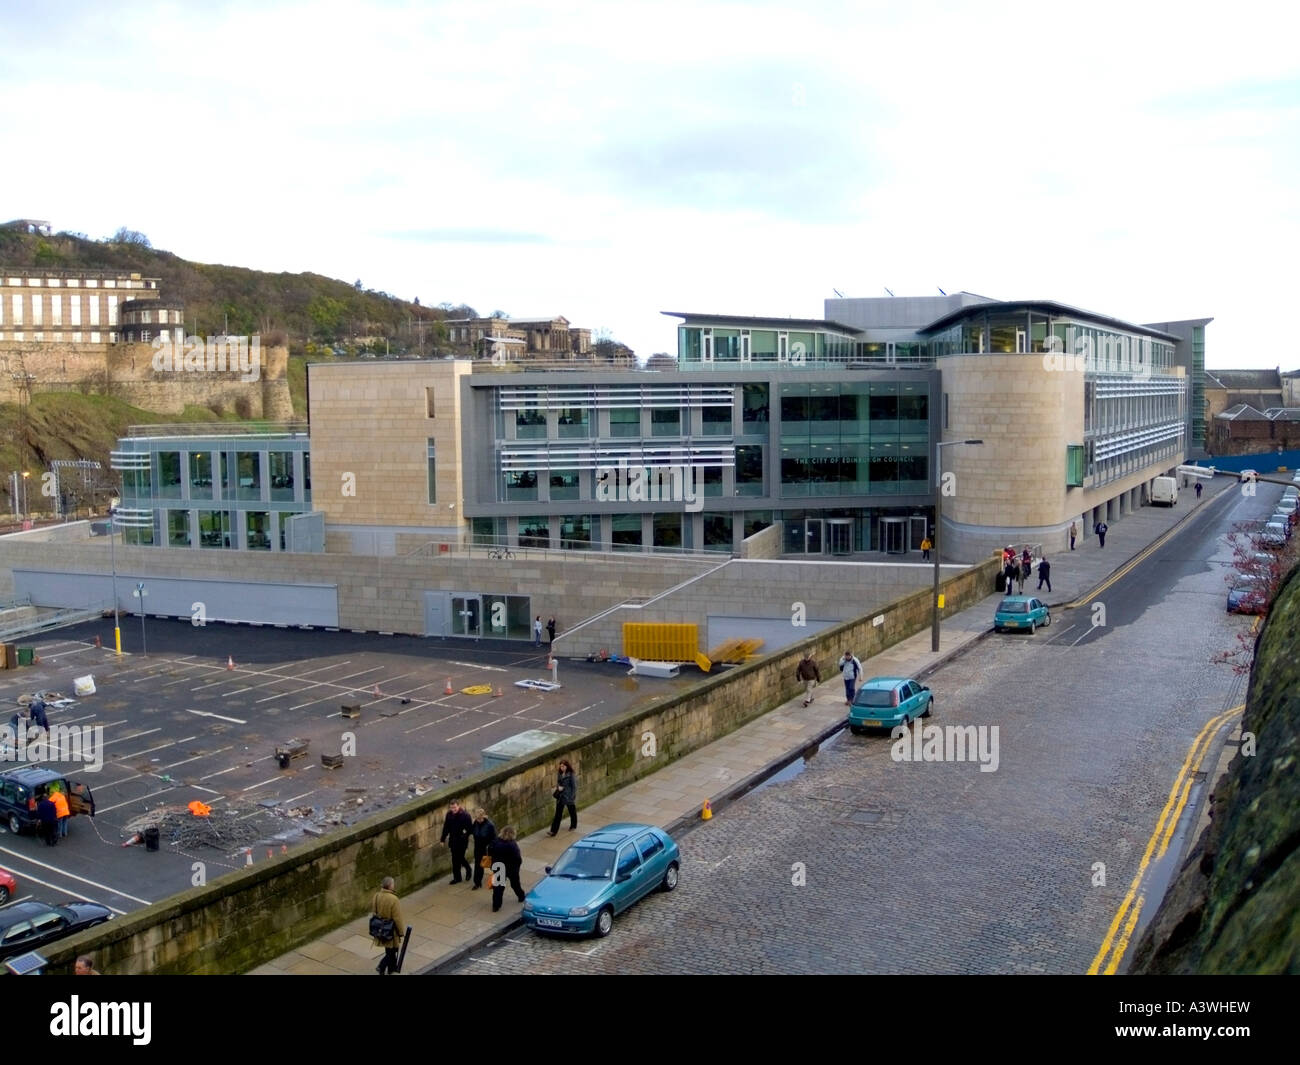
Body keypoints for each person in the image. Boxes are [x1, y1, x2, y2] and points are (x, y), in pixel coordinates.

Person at [371, 876, 406, 975]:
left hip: (380, 928)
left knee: (389, 950)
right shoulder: (393, 899)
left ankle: (389, 970)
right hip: (391, 929)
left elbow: (374, 912)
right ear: (390, 886)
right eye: (393, 884)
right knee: (393, 950)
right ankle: (381, 966)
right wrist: (401, 932)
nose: (394, 885)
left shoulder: (376, 896)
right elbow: (397, 918)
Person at [487, 826, 526, 912]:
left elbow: (489, 854)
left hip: (499, 867)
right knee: (515, 884)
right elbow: (517, 858)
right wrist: (517, 867)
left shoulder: (495, 842)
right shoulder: (512, 845)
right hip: (511, 868)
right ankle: (521, 896)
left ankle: (496, 906)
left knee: (498, 888)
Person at [440, 800, 473, 883]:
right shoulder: (449, 815)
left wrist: (463, 836)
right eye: (451, 808)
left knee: (460, 857)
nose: (453, 809)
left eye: (454, 807)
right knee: (455, 859)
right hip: (453, 840)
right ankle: (457, 878)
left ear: (458, 806)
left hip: (462, 841)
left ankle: (468, 869)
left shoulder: (465, 816)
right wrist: (442, 839)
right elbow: (446, 827)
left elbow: (470, 829)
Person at [548, 760, 577, 836]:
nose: (561, 768)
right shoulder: (560, 773)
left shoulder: (571, 774)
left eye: (563, 766)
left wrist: (572, 796)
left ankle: (573, 825)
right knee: (558, 814)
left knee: (572, 811)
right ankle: (553, 831)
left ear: (567, 766)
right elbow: (558, 782)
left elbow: (574, 786)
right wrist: (558, 787)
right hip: (561, 796)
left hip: (568, 796)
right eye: (560, 766)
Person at [471, 807, 497, 890]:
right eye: (476, 819)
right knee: (478, 866)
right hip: (478, 848)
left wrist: (490, 846)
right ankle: (477, 883)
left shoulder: (490, 825)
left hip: (487, 849)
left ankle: (499, 877)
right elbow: (472, 831)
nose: (477, 821)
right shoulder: (475, 822)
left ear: (482, 817)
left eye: (479, 819)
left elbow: (494, 838)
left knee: (492, 865)